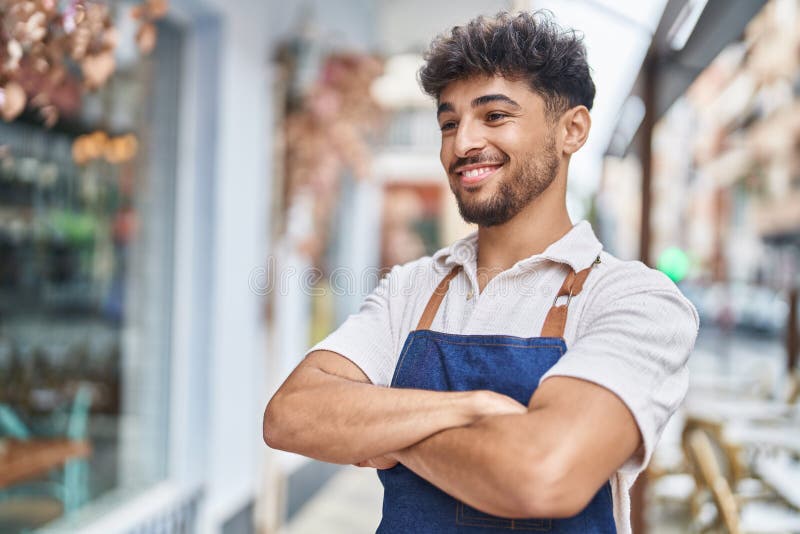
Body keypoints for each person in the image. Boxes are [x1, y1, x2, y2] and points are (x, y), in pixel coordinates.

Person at [263, 10, 698, 534]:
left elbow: (542, 475)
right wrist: (476, 408)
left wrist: (381, 428)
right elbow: (290, 414)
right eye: (448, 123)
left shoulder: (634, 300)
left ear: (572, 130)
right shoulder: (412, 288)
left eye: (494, 117)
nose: (462, 143)